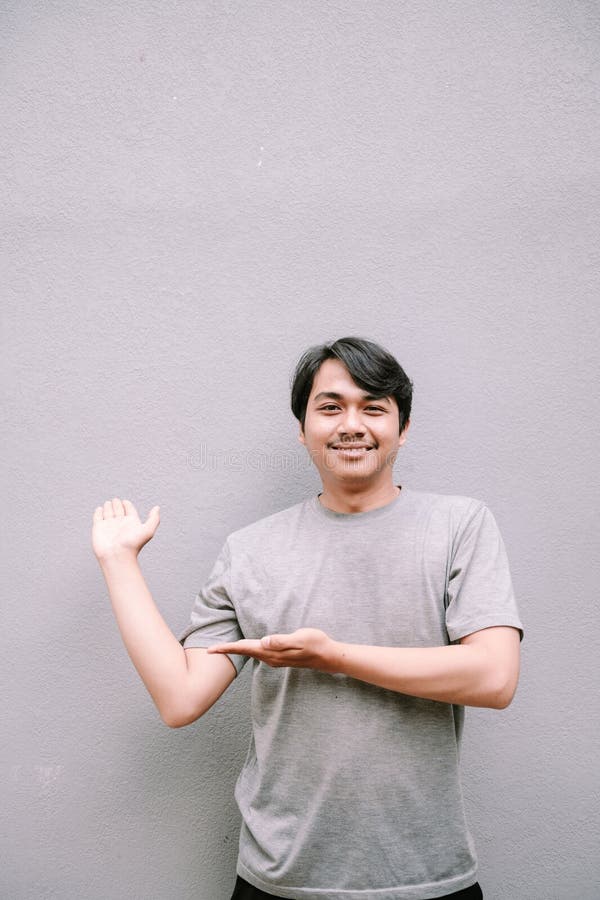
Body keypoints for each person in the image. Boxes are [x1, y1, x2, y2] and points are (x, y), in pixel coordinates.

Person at [92, 336, 524, 900]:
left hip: (428, 877)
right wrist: (119, 562)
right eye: (330, 406)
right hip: (279, 880)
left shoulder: (459, 526)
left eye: (374, 407)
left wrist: (332, 656)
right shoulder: (250, 550)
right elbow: (180, 698)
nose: (353, 423)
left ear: (403, 426)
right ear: (302, 428)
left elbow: (494, 678)